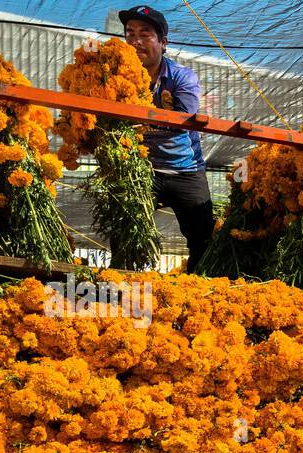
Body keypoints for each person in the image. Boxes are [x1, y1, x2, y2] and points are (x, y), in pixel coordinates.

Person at [119, 6, 215, 269]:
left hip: (185, 169)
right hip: (142, 169)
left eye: (145, 34)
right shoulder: (116, 77)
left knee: (203, 238)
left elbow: (183, 119)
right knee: (125, 230)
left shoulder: (182, 77)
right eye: (130, 34)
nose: (135, 41)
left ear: (163, 43)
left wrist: (134, 117)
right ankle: (124, 285)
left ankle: (202, 288)